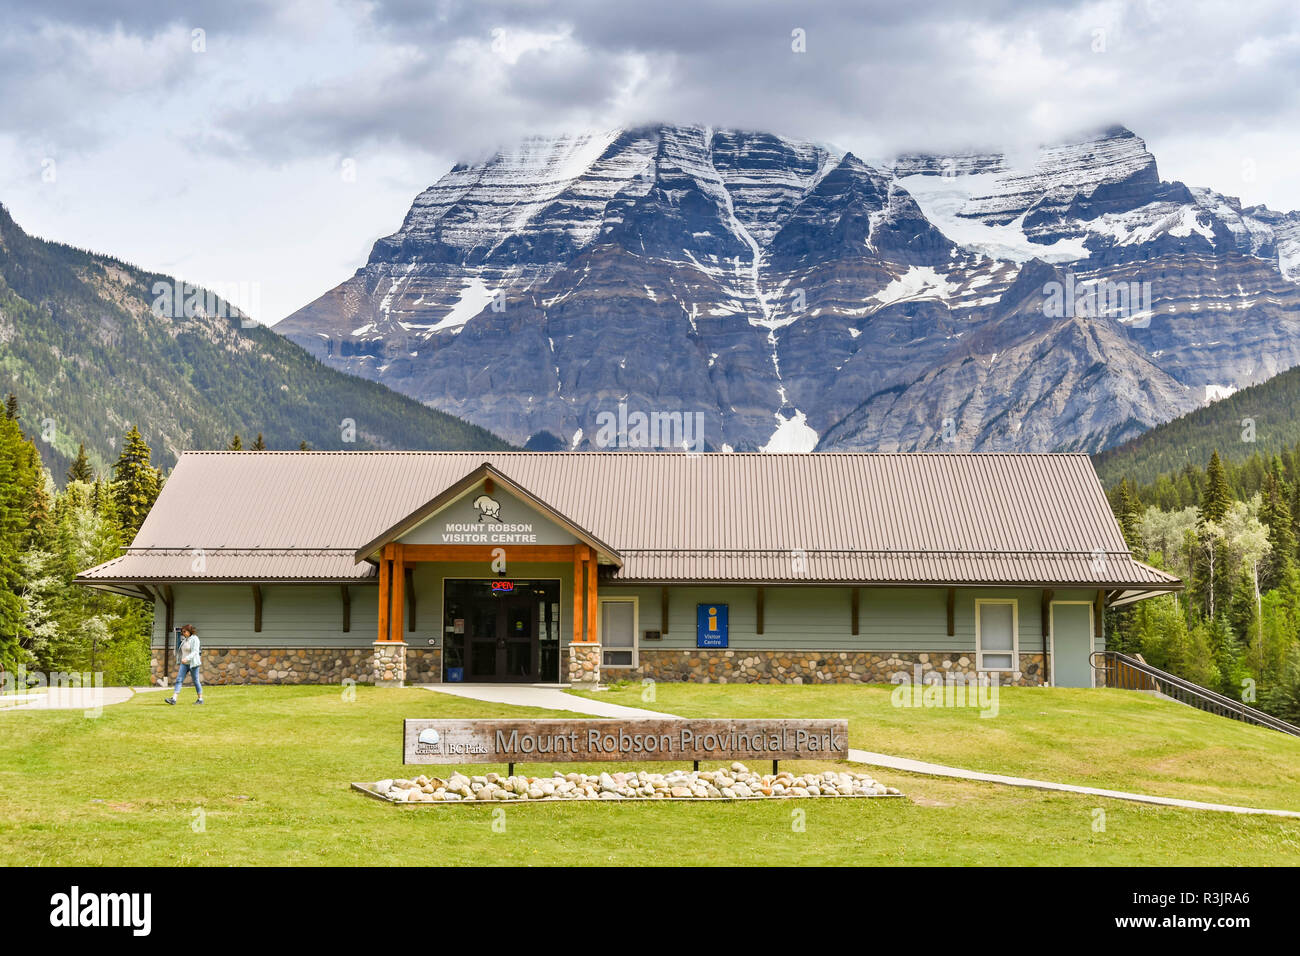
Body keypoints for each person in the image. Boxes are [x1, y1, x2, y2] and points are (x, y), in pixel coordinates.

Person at [165, 625, 204, 705]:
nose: (183, 633)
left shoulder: (195, 639)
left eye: (184, 631)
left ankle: (200, 699)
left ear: (190, 631)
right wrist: (181, 659)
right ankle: (174, 699)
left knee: (196, 681)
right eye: (182, 632)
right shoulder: (185, 640)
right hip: (184, 664)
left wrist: (187, 658)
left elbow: (195, 651)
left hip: (193, 663)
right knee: (179, 679)